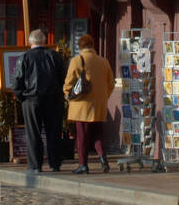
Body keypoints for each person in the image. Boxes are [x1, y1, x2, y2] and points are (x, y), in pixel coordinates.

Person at [12, 29, 66, 172]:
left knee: (33, 133)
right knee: (54, 131)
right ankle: (55, 163)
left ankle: (35, 165)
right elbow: (64, 79)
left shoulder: (24, 58)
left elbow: (17, 82)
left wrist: (22, 98)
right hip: (53, 99)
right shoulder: (55, 56)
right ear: (44, 40)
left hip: (31, 99)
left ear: (30, 42)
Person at [63, 33, 115, 174]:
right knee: (98, 133)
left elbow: (68, 83)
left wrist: (68, 94)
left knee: (82, 136)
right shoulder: (104, 61)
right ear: (93, 45)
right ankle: (103, 159)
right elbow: (111, 83)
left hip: (82, 104)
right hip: (99, 104)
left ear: (80, 46)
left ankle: (83, 164)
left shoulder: (77, 60)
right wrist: (104, 96)